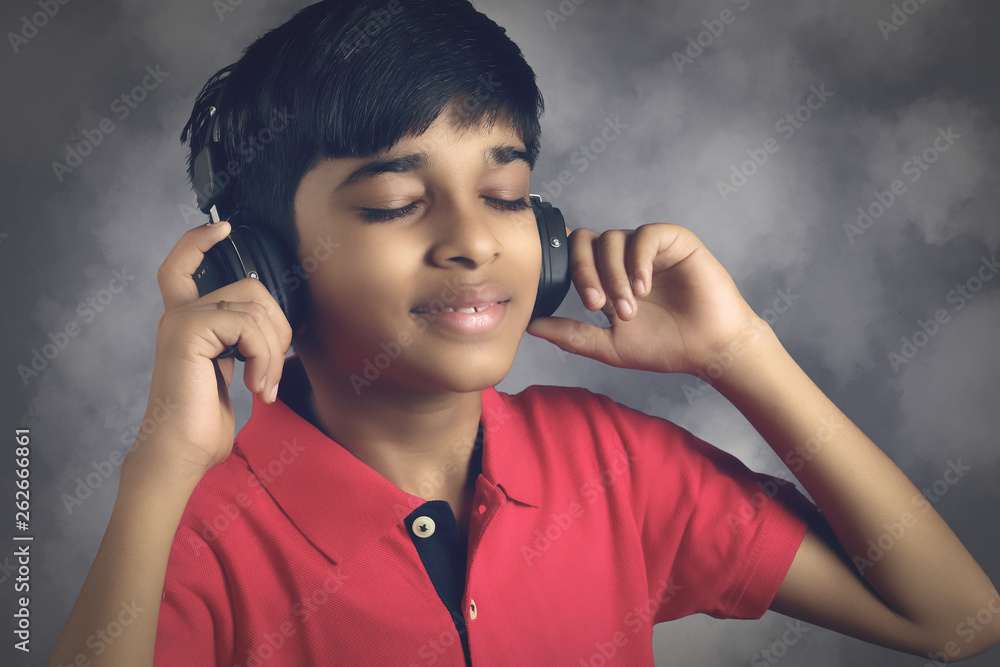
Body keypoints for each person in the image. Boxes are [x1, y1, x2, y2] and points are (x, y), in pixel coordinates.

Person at [48, 1, 1000, 665]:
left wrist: (738, 351)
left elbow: (956, 621)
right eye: (392, 203)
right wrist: (158, 468)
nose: (471, 240)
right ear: (259, 264)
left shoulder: (614, 467)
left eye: (503, 194)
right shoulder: (194, 532)